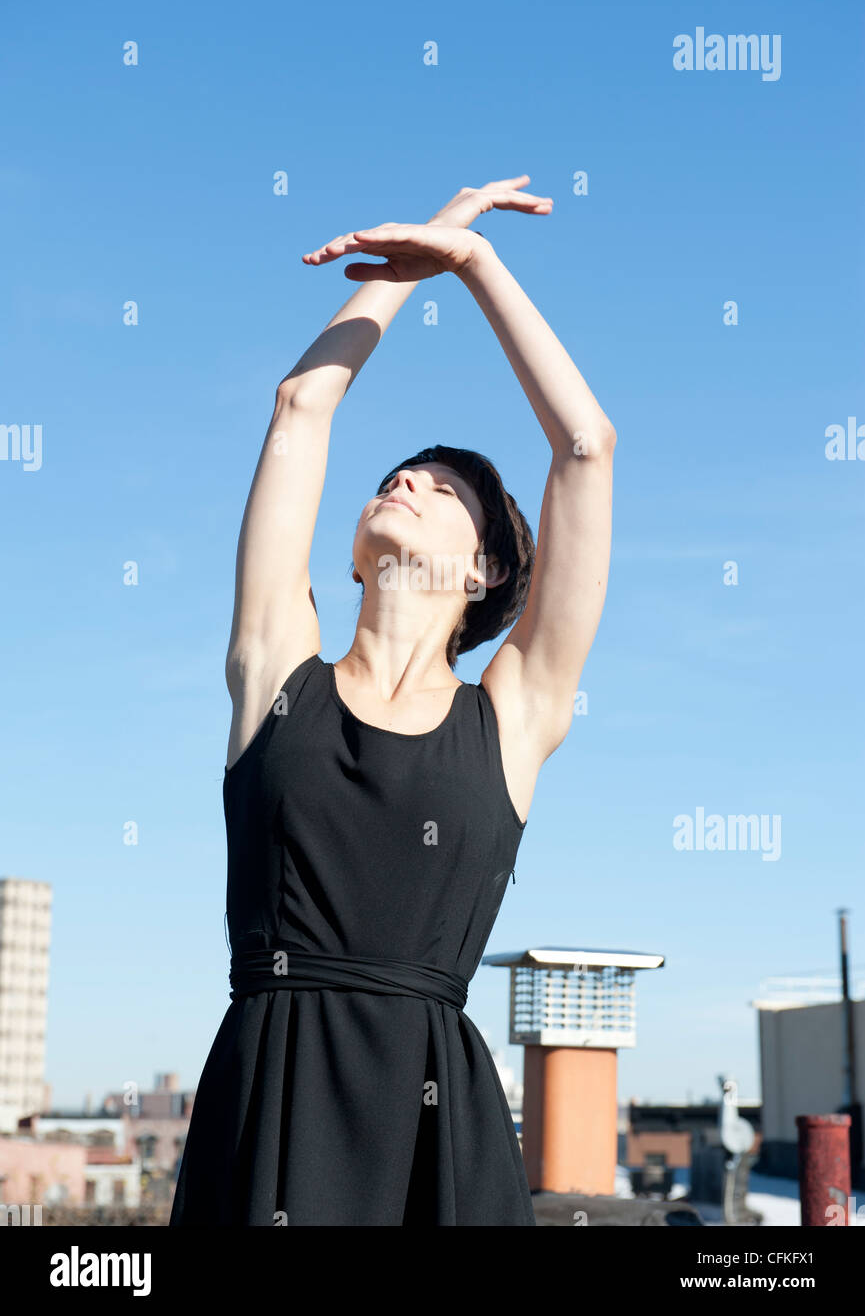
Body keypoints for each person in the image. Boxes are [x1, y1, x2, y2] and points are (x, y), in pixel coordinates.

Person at [168, 176, 616, 1226]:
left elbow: (586, 448)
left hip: (437, 1124)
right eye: (400, 473)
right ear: (357, 564)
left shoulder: (510, 714)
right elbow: (300, 404)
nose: (407, 481)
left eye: (444, 487)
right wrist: (419, 254)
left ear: (485, 573)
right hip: (268, 1093)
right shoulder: (279, 670)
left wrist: (473, 264)